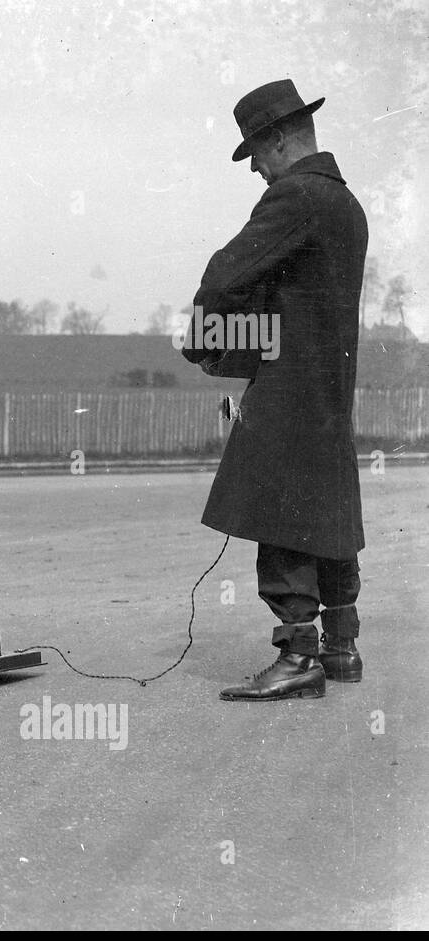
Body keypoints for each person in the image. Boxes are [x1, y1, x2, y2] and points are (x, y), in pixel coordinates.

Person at [181, 79, 368, 701]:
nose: (256, 168)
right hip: (330, 386)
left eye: (256, 154)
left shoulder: (294, 196)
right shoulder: (346, 204)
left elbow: (225, 272)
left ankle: (297, 656)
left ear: (281, 141)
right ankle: (340, 645)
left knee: (280, 511)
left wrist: (212, 344)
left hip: (287, 384)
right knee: (328, 506)